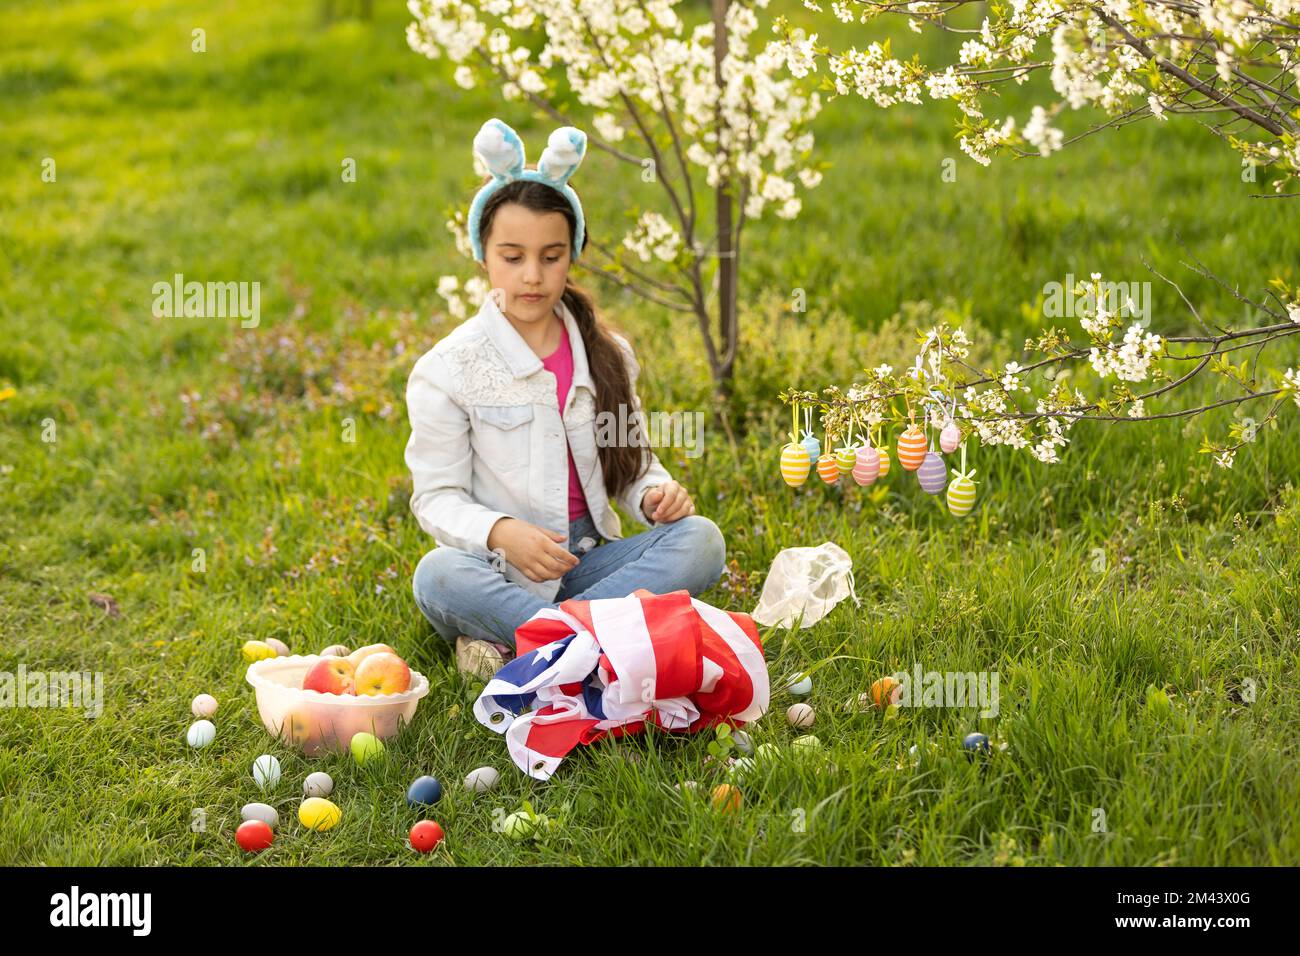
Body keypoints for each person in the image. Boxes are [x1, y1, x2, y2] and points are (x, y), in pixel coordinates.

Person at [406, 118, 726, 678]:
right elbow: (436, 498)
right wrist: (501, 531)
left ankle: (542, 644)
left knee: (700, 541)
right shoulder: (448, 369)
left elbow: (631, 468)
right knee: (437, 575)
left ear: (571, 254)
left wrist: (654, 497)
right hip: (501, 571)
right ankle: (604, 642)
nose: (532, 276)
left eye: (550, 257)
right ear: (482, 254)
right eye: (512, 256)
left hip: (592, 563)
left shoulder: (608, 355)